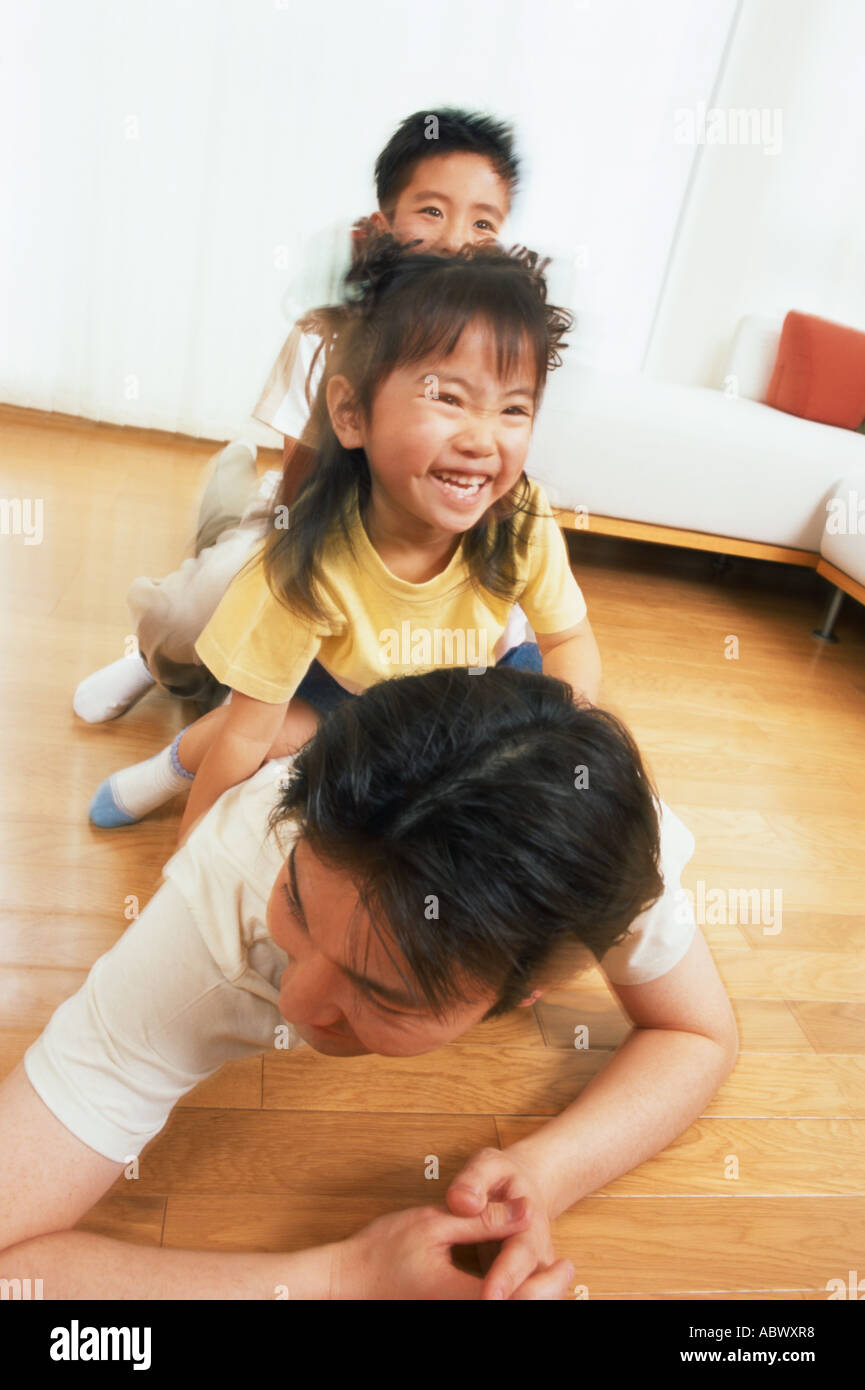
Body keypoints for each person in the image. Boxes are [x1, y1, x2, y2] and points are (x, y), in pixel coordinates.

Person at [0, 665, 739, 1299]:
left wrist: (544, 1173)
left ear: (534, 990)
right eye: (296, 900)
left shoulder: (616, 874)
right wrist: (334, 1280)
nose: (296, 1005)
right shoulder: (219, 900)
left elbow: (696, 1034)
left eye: (383, 993)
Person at [87, 235, 602, 840]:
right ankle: (167, 768)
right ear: (353, 414)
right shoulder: (306, 565)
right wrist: (188, 864)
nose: (482, 439)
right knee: (274, 733)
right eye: (450, 399)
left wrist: (559, 739)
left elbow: (568, 638)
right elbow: (248, 735)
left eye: (514, 410)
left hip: (459, 693)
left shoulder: (520, 519)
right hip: (340, 690)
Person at [72, 108, 527, 723]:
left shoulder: (502, 352)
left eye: (482, 222)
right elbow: (302, 485)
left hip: (421, 540)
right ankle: (158, 657)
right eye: (432, 210)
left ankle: (227, 502)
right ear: (383, 224)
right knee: (201, 611)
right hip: (312, 513)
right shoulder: (324, 338)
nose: (454, 240)